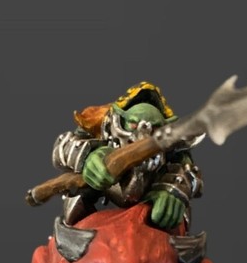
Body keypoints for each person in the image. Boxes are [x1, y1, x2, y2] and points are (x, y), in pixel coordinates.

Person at [51, 81, 203, 229]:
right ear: (117, 122)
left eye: (155, 129)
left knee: (173, 210)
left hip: (146, 212)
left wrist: (173, 190)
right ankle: (73, 231)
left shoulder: (172, 146)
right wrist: (88, 157)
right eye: (134, 125)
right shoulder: (105, 129)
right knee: (79, 194)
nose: (143, 138)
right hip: (100, 208)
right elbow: (62, 147)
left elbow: (190, 175)